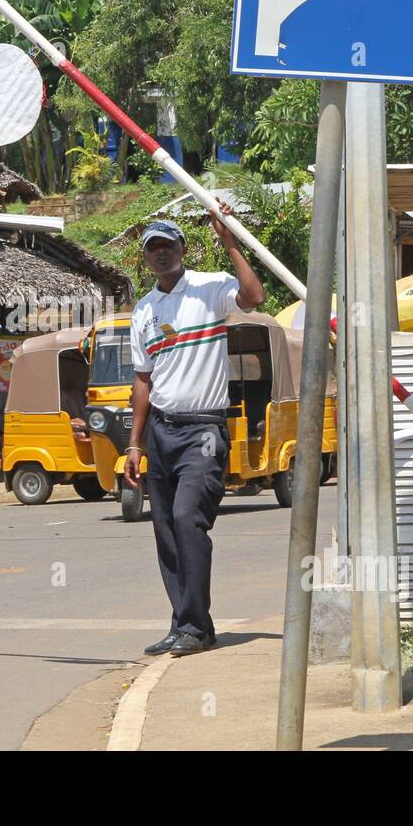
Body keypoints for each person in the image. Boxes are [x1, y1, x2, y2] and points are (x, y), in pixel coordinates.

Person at [124, 214, 265, 658]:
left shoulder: (209, 287)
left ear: (182, 248)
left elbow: (255, 298)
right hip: (162, 430)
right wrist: (134, 443)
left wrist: (232, 246)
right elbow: (143, 381)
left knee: (188, 519)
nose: (160, 251)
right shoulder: (144, 311)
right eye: (152, 246)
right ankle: (186, 624)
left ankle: (194, 626)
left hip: (203, 428)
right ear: (145, 257)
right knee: (165, 528)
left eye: (167, 244)